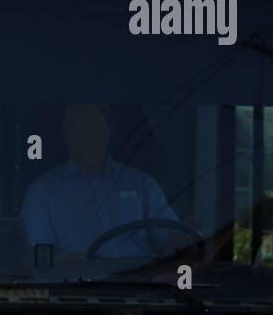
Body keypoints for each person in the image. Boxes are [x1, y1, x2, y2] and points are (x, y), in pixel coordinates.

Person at [21, 102, 176, 261]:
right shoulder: (42, 191)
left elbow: (170, 240)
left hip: (141, 281)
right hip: (75, 282)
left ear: (108, 131)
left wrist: (182, 242)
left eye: (90, 127)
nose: (82, 136)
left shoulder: (143, 184)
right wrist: (62, 261)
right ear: (64, 136)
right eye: (74, 127)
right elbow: (37, 259)